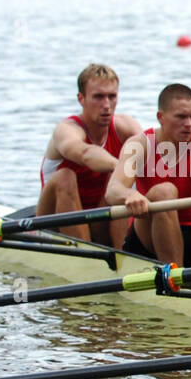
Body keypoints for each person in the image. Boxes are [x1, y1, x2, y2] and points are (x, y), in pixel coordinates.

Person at [106, 83, 191, 267]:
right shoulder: (140, 145)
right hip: (148, 237)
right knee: (164, 192)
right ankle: (174, 278)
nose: (189, 124)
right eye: (181, 117)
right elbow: (112, 191)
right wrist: (130, 194)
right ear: (161, 117)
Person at [38, 64, 142, 244]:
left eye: (112, 96)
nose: (107, 105)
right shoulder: (67, 130)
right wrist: (121, 166)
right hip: (53, 222)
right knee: (65, 176)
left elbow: (156, 158)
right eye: (98, 97)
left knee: (121, 179)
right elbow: (86, 154)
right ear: (81, 99)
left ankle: (123, 254)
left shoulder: (126, 127)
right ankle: (84, 253)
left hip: (100, 220)